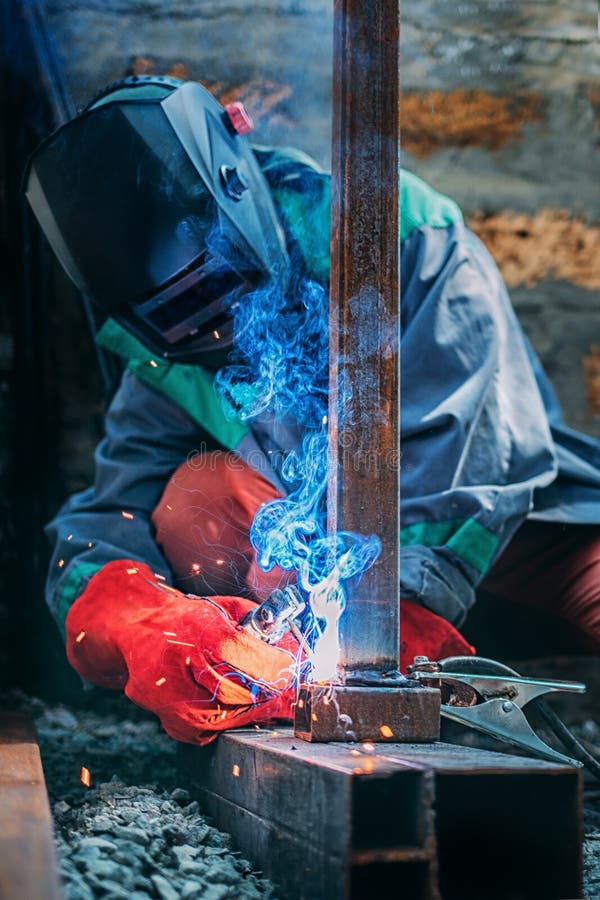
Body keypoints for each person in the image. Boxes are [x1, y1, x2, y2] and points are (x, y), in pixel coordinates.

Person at [25, 75, 600, 745]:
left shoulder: (400, 233)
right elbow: (109, 515)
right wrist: (136, 620)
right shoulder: (162, 355)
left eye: (218, 286)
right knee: (193, 498)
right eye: (175, 316)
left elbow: (475, 466)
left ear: (238, 194)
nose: (212, 325)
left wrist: (380, 624)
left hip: (494, 540)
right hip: (312, 594)